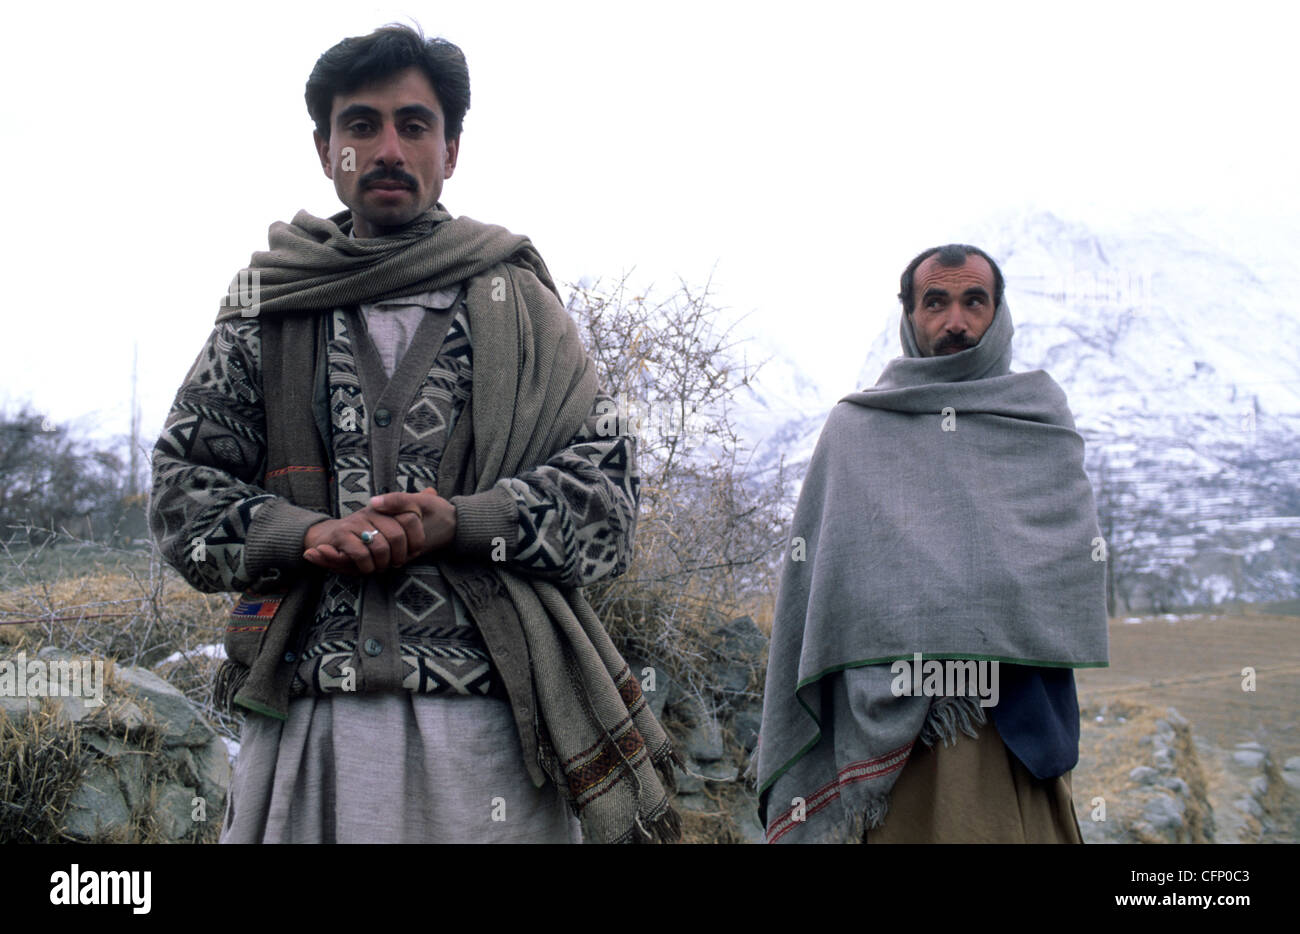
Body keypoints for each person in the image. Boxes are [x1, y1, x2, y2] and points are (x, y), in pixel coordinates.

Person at [149, 23, 679, 844]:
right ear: (327, 151)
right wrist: (305, 534)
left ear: (452, 149)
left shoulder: (521, 306)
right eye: (361, 126)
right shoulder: (267, 308)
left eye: (414, 124)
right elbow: (184, 493)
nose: (387, 147)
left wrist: (464, 524)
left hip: (494, 732)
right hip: (309, 723)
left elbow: (607, 502)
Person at [755, 244, 1109, 843]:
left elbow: (1071, 570)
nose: (956, 323)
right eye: (935, 303)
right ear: (908, 315)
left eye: (975, 301)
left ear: (998, 313)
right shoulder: (856, 430)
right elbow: (826, 588)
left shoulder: (1039, 419)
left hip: (1020, 730)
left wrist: (962, 599)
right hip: (902, 745)